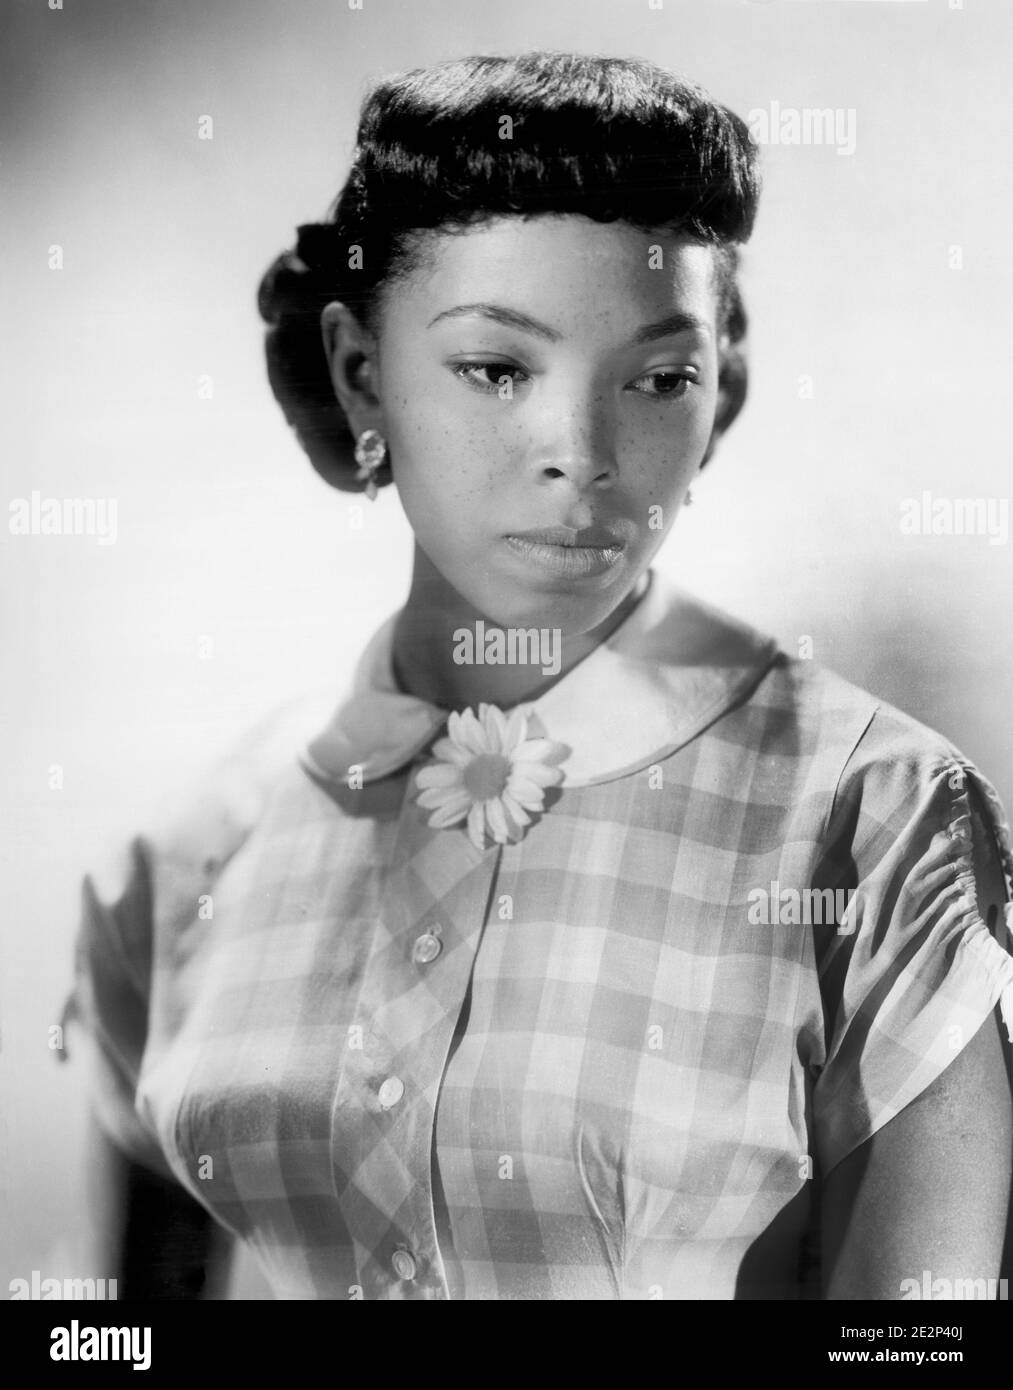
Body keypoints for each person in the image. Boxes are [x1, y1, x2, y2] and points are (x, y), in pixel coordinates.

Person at [65, 51, 1013, 1301]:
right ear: (362, 374)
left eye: (658, 377)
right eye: (497, 368)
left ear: (715, 386)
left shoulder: (875, 816)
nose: (579, 452)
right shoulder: (185, 859)